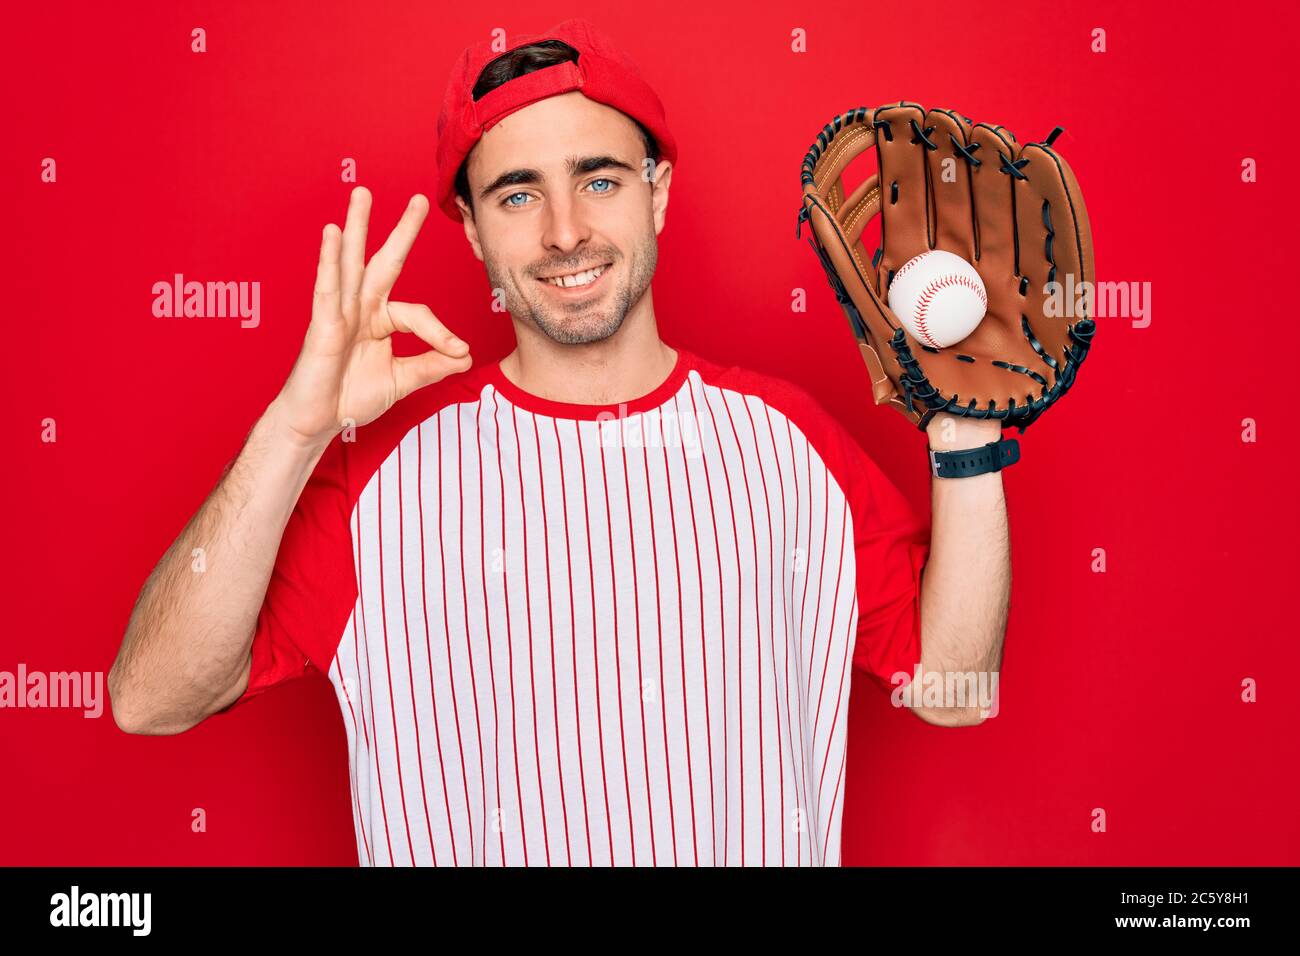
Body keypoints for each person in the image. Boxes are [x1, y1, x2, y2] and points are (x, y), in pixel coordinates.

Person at [108, 18, 1009, 866]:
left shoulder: (790, 443)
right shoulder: (378, 472)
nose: (565, 230)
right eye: (517, 193)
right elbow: (152, 699)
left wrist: (965, 437)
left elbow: (954, 691)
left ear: (658, 193)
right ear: (470, 229)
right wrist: (295, 431)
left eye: (600, 179)